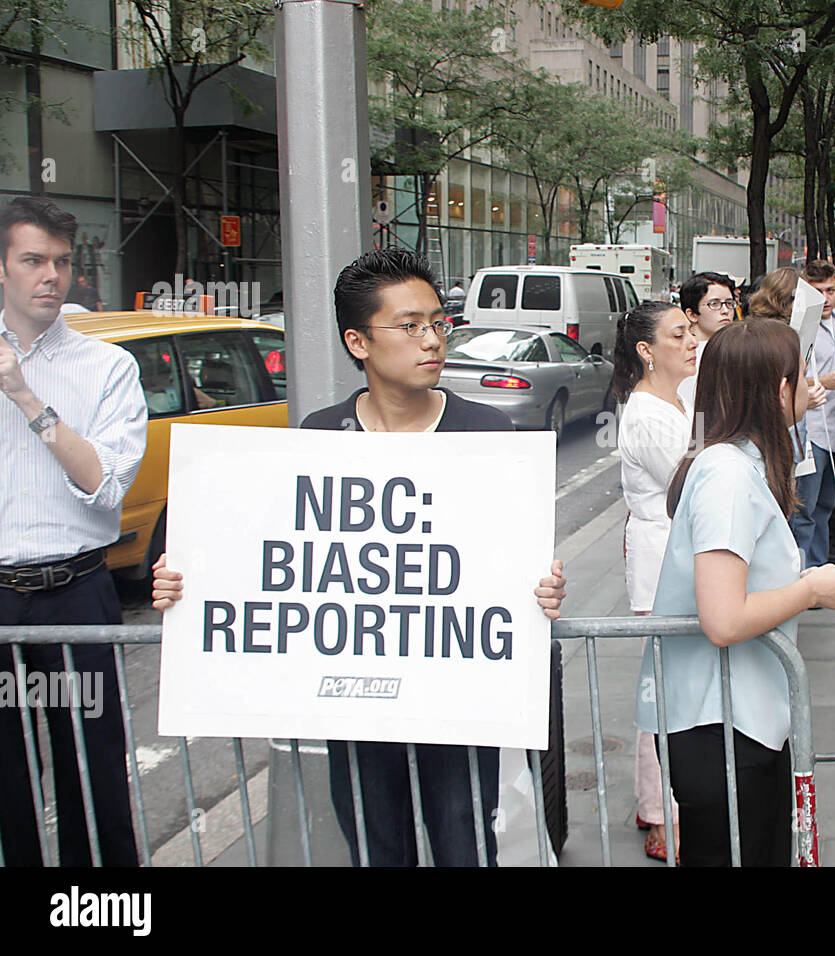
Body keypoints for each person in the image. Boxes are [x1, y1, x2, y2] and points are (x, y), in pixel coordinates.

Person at [151, 249, 568, 867]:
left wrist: (542, 588)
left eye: (437, 322)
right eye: (409, 325)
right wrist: (189, 584)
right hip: (357, 706)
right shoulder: (322, 437)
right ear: (358, 341)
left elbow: (508, 559)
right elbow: (275, 557)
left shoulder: (487, 432)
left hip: (458, 703)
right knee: (376, 848)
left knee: (465, 844)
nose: (431, 340)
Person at [637, 318, 835, 866]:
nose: (811, 383)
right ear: (777, 389)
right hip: (719, 724)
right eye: (801, 372)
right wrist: (812, 588)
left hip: (736, 719)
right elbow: (723, 618)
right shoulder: (728, 474)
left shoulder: (736, 462)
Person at [0, 196, 147, 866]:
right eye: (33, 260)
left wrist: (27, 396)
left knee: (90, 776)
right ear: (2, 269)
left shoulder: (106, 368)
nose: (50, 276)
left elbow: (104, 484)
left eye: (61, 262)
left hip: (75, 594)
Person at [614, 300, 697, 862]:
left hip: (684, 553)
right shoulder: (643, 415)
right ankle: (657, 809)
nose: (693, 340)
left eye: (691, 331)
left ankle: (676, 800)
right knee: (661, 694)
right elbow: (689, 483)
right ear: (647, 351)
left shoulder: (682, 393)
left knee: (681, 687)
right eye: (679, 334)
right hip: (659, 558)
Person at [788, 260, 835, 569]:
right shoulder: (799, 328)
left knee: (825, 503)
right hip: (810, 430)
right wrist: (821, 383)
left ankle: (819, 565)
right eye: (818, 291)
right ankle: (800, 571)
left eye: (830, 290)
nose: (826, 298)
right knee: (805, 509)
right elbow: (786, 380)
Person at [678, 271, 736, 414]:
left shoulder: (737, 349)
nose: (725, 310)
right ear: (691, 314)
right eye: (714, 304)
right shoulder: (680, 354)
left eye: (729, 303)